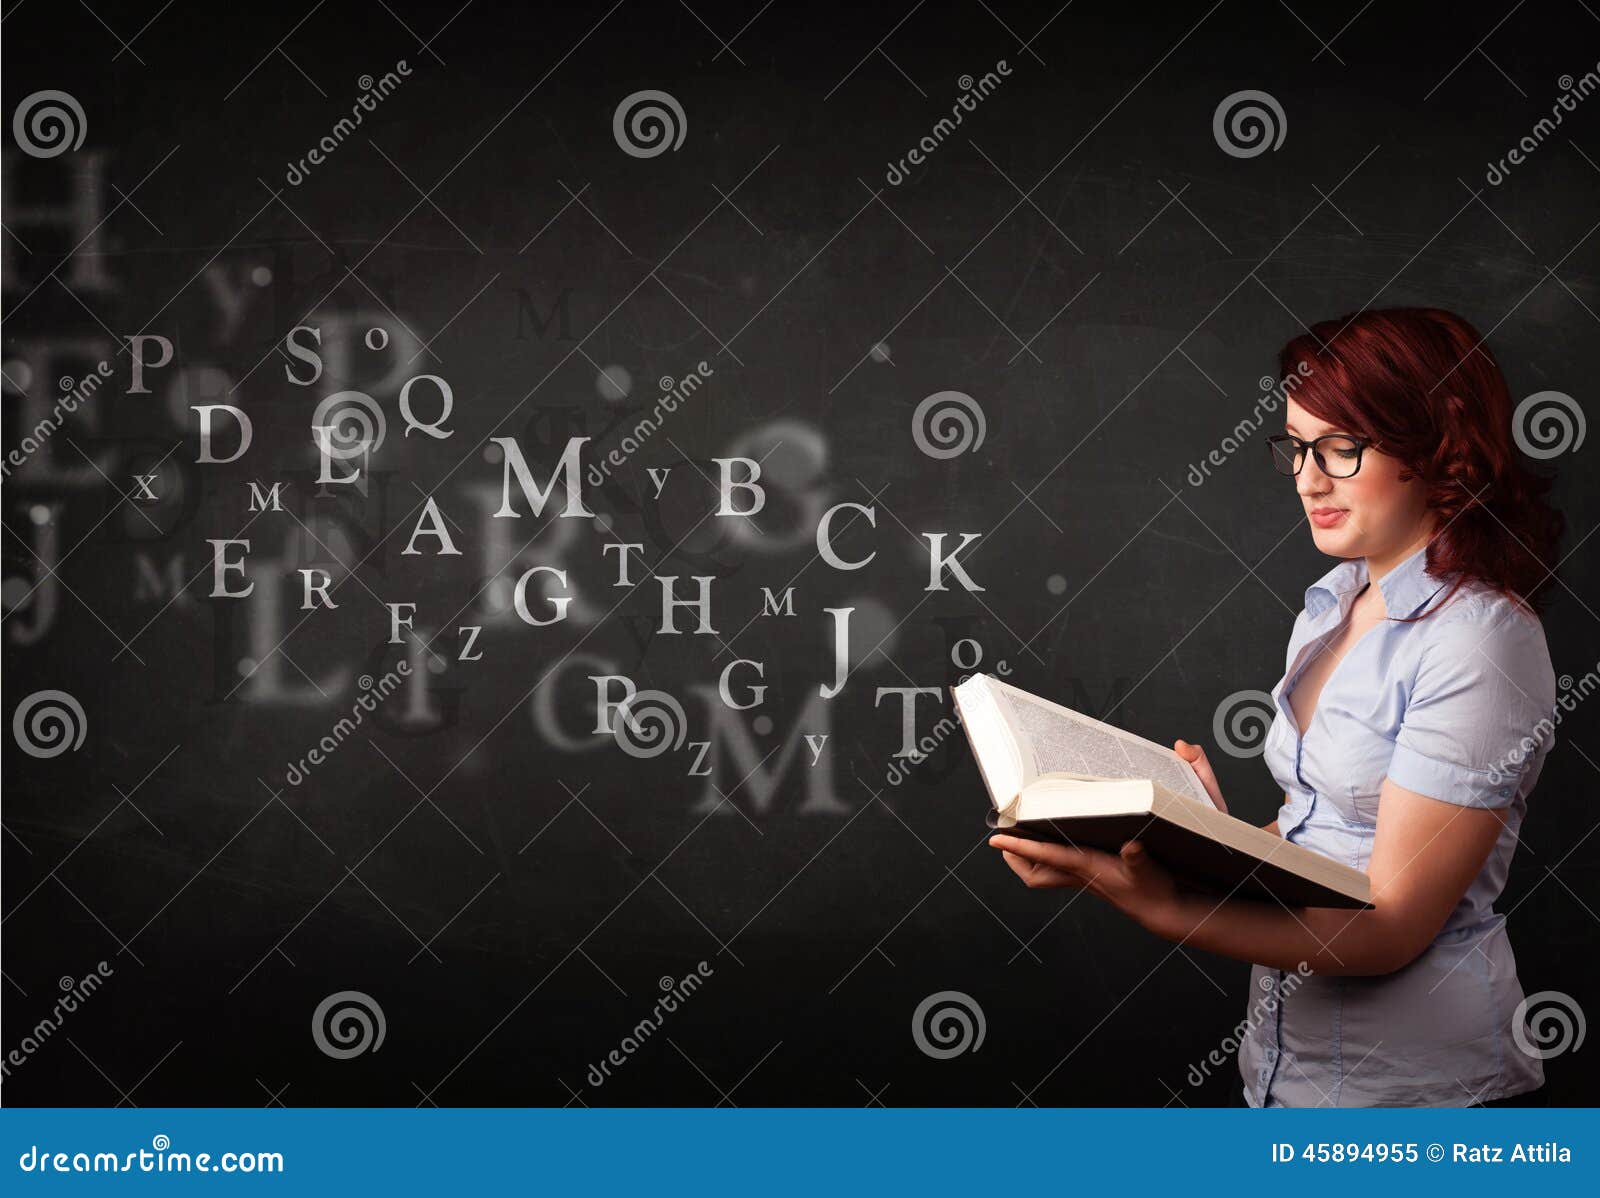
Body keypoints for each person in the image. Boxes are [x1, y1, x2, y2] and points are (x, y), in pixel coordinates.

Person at [989, 307, 1565, 1108]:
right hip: (1284, 1071)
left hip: (1419, 1098)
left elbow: (1393, 925)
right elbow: (1323, 833)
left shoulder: (1480, 640)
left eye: (1340, 447)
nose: (1308, 478)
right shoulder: (1332, 606)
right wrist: (1194, 838)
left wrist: (1167, 909)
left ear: (1438, 446)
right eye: (1296, 447)